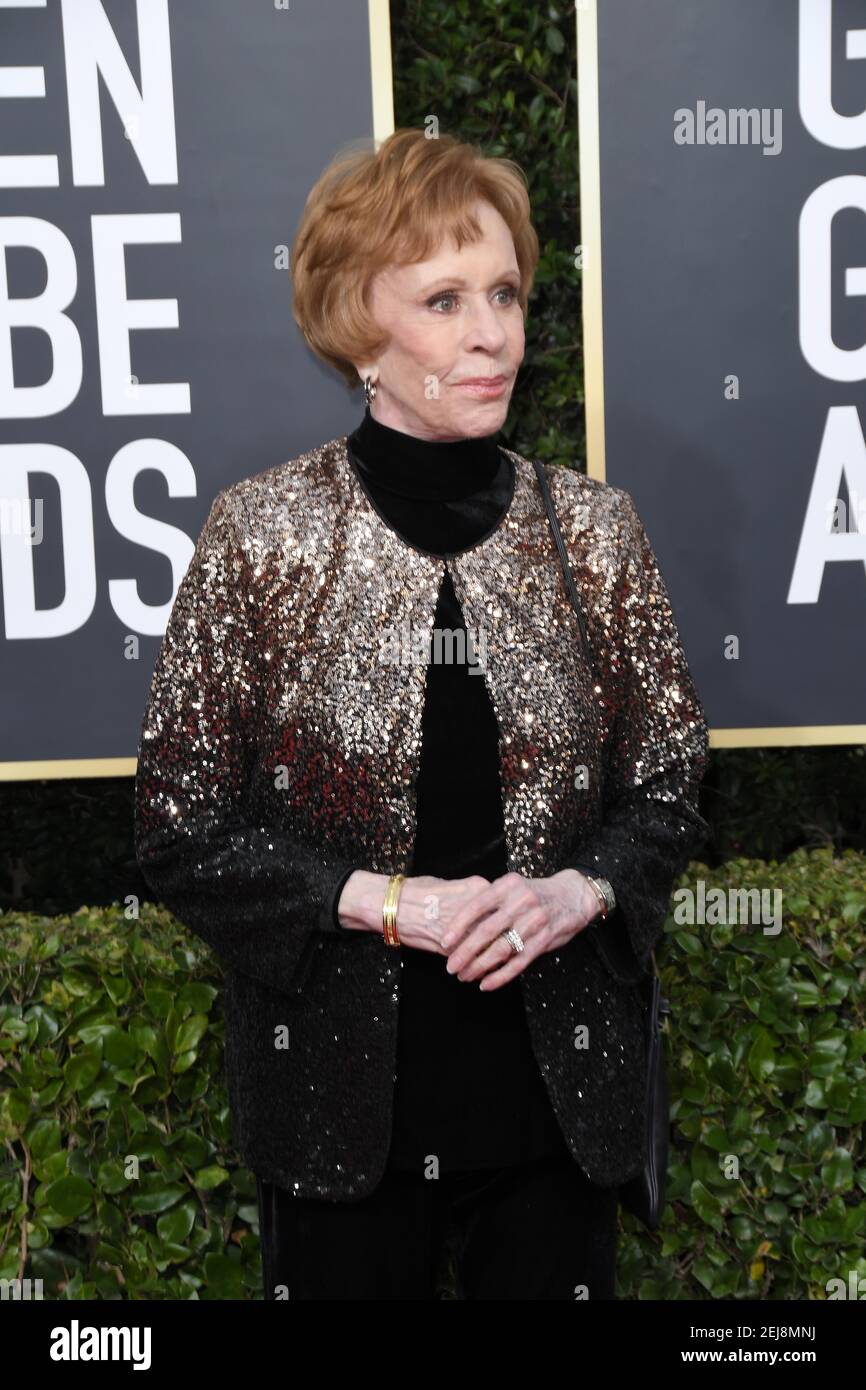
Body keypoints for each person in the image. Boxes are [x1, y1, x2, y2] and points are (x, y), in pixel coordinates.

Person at [134, 127, 711, 1300]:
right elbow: (178, 829)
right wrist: (387, 904)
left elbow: (671, 785)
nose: (491, 331)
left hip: (556, 1115)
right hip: (339, 1119)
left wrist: (575, 891)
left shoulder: (592, 533)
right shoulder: (262, 538)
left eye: (501, 292)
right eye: (443, 299)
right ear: (357, 326)